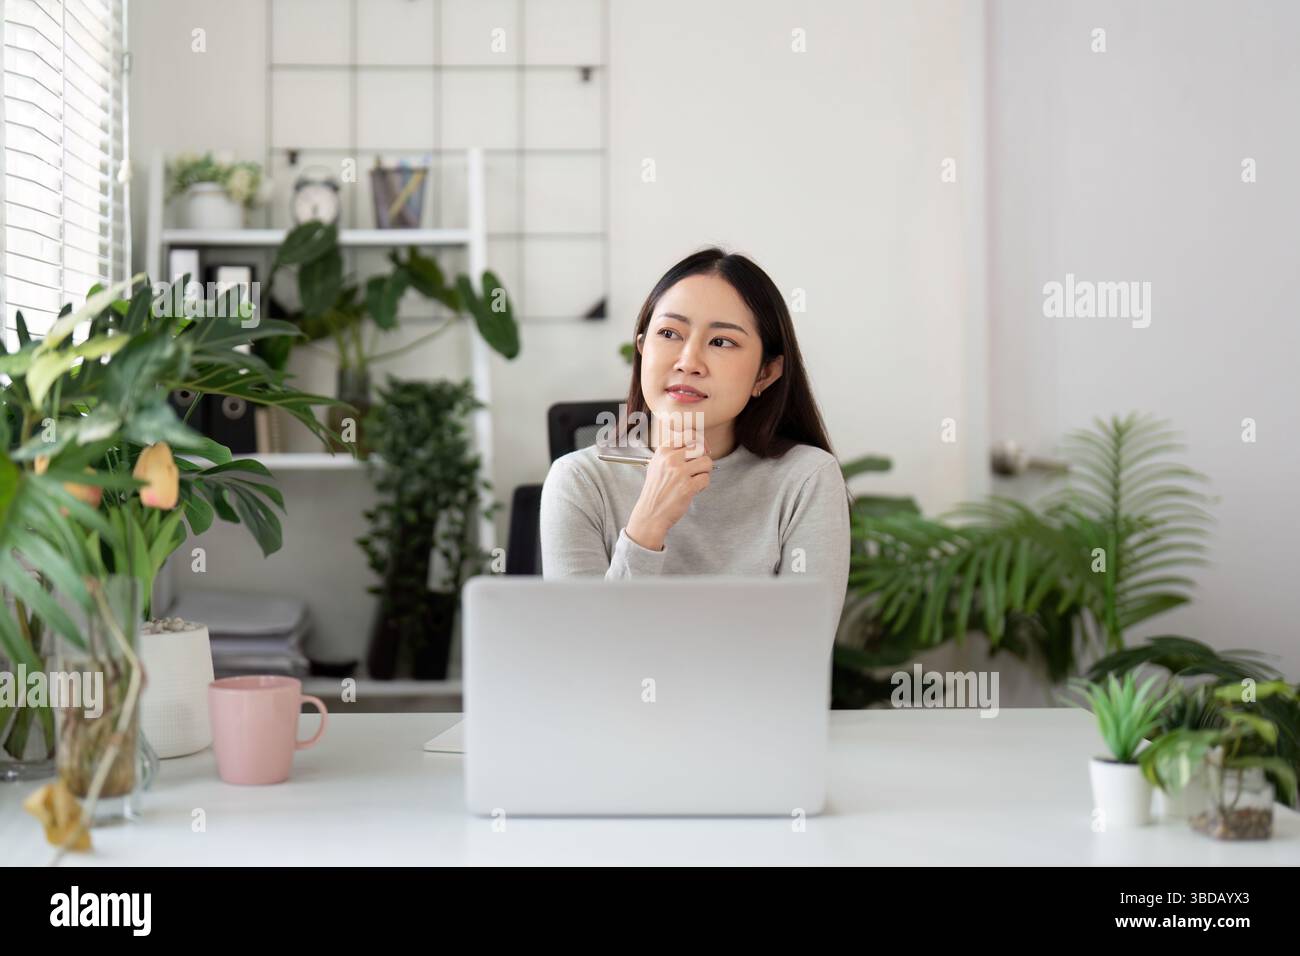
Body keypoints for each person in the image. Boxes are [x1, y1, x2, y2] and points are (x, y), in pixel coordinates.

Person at [540, 246, 851, 624]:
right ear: (642, 349)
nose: (688, 361)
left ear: (765, 374)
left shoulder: (806, 479)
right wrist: (647, 525)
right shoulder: (578, 481)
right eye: (669, 333)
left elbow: (803, 655)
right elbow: (581, 658)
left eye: (721, 342)